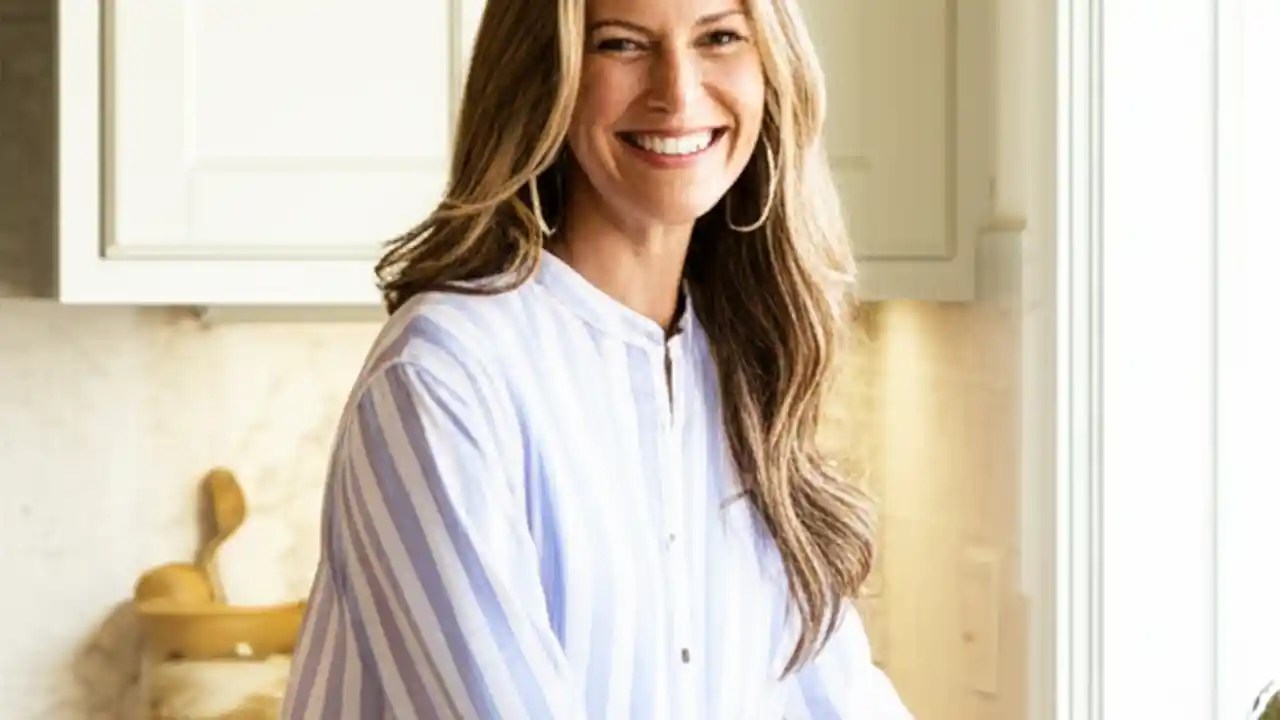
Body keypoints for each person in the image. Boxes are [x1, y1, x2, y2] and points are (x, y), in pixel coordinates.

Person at [282, 0, 912, 716]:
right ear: (545, 78)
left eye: (720, 36)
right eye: (621, 45)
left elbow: (838, 695)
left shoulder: (737, 373)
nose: (677, 91)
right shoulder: (442, 378)